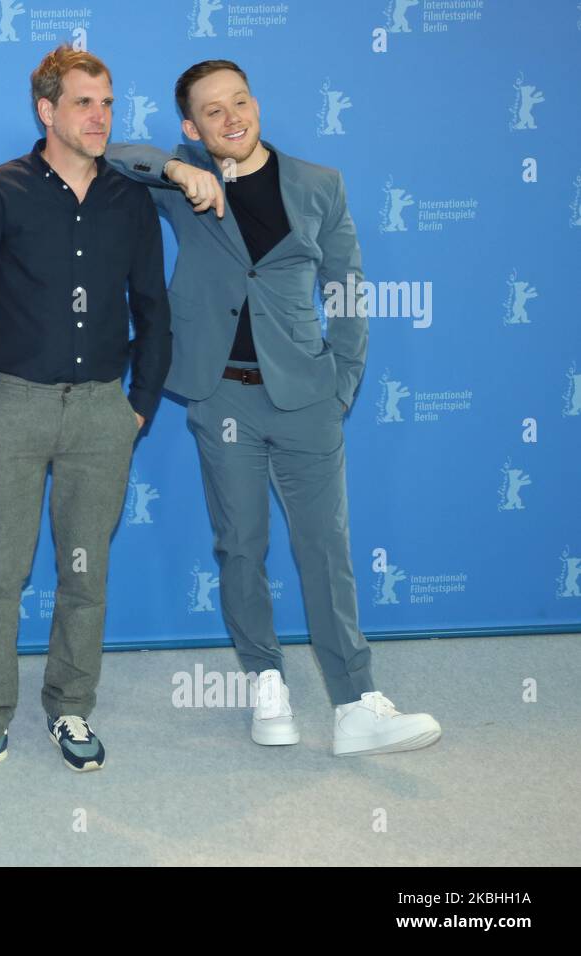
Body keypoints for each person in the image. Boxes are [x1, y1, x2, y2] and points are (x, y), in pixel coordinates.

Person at [105, 60, 441, 756]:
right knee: (241, 547)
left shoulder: (320, 184)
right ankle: (266, 685)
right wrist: (178, 172)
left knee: (326, 549)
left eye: (240, 102)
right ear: (191, 126)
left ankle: (355, 703)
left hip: (305, 399)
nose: (232, 119)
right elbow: (112, 152)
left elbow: (347, 288)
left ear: (256, 104)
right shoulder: (180, 173)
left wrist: (340, 383)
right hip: (220, 392)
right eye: (213, 111)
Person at [0, 45, 171, 789]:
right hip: (14, 403)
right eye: (83, 103)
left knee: (84, 573)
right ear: (47, 111)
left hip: (103, 410)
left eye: (107, 103)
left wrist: (139, 404)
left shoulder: (131, 200)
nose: (100, 116)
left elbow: (153, 308)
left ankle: (71, 707)